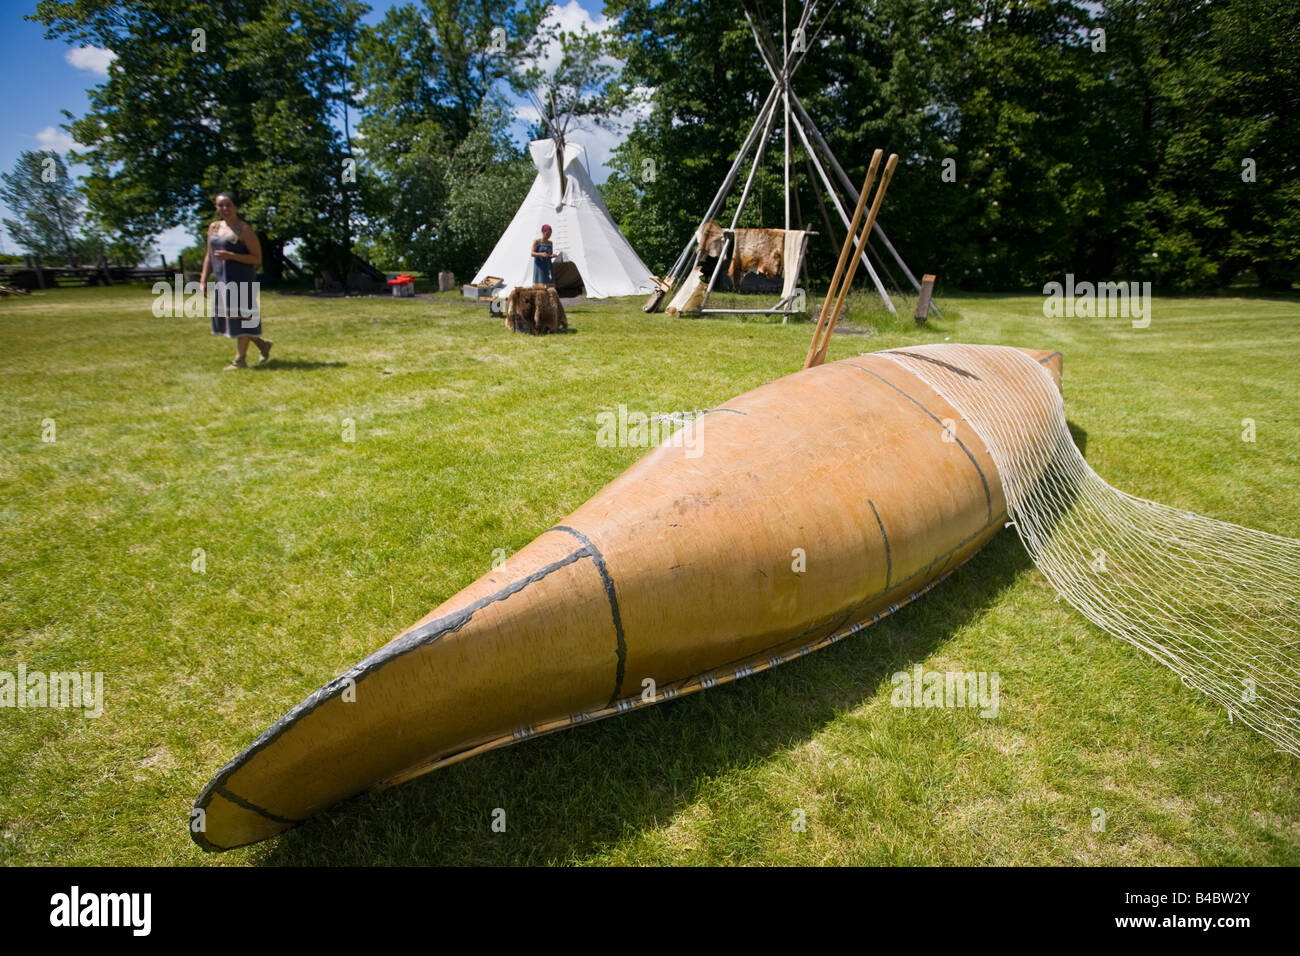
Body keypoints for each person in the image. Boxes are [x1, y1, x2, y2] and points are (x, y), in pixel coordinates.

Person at [200, 192, 272, 370]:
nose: (224, 209)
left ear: (236, 207)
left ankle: (240, 360)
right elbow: (209, 256)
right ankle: (262, 344)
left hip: (242, 280)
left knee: (244, 318)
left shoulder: (244, 229)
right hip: (222, 280)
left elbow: (257, 259)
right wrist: (203, 280)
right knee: (232, 319)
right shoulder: (214, 228)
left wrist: (231, 256)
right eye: (220, 205)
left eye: (228, 205)